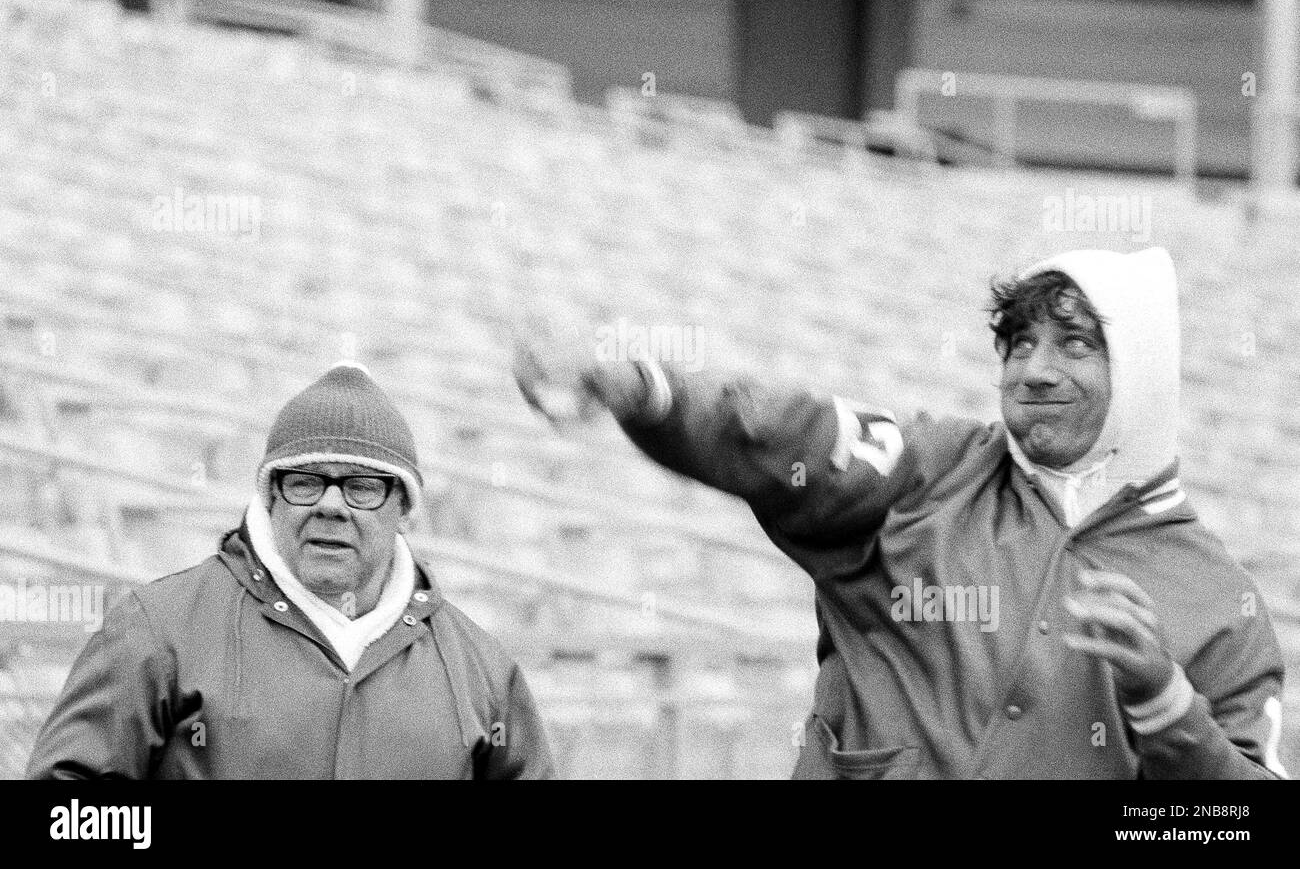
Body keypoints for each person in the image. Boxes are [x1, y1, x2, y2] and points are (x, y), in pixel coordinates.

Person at [515, 246, 1287, 779]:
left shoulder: (1220, 600)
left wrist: (1166, 702)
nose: (1033, 371)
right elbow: (794, 432)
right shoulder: (932, 469)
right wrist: (650, 390)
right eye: (1018, 344)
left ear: (1144, 369)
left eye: (1074, 344)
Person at [27, 362, 554, 779]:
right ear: (271, 497)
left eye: (363, 486)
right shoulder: (157, 629)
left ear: (403, 509)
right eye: (304, 481)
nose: (330, 506)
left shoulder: (479, 670)